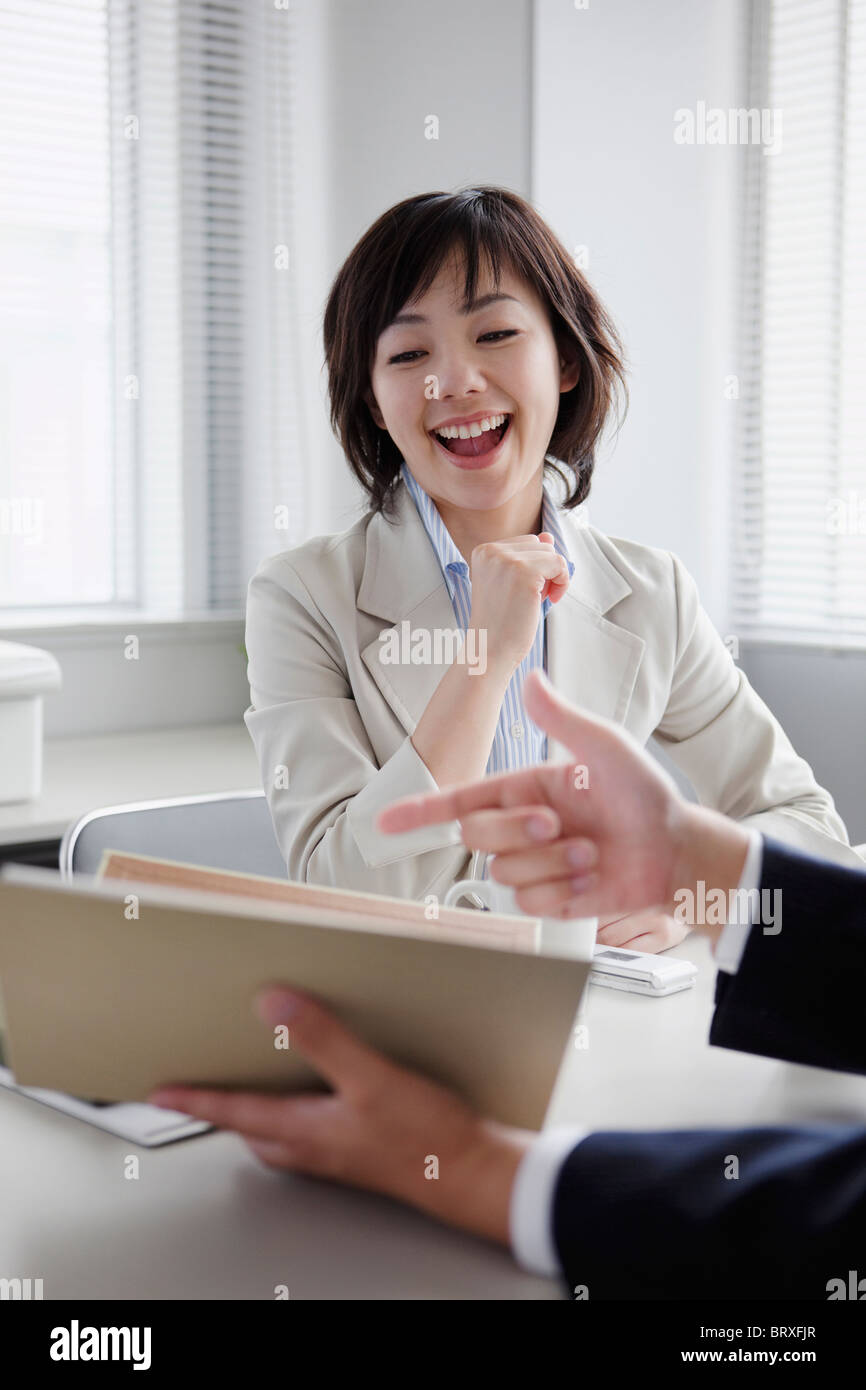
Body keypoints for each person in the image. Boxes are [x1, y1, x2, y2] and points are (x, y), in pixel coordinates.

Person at [242, 186, 861, 955]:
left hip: (607, 1017)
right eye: (408, 354)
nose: (455, 382)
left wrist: (687, 896)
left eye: (495, 333)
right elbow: (338, 896)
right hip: (415, 1029)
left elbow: (804, 821)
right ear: (372, 401)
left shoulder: (651, 592)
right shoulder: (302, 596)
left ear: (565, 359)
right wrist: (488, 656)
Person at [151, 670, 866, 1300]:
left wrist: (475, 1169)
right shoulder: (306, 587)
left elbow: (827, 1218)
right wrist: (693, 863)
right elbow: (356, 895)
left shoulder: (652, 584)